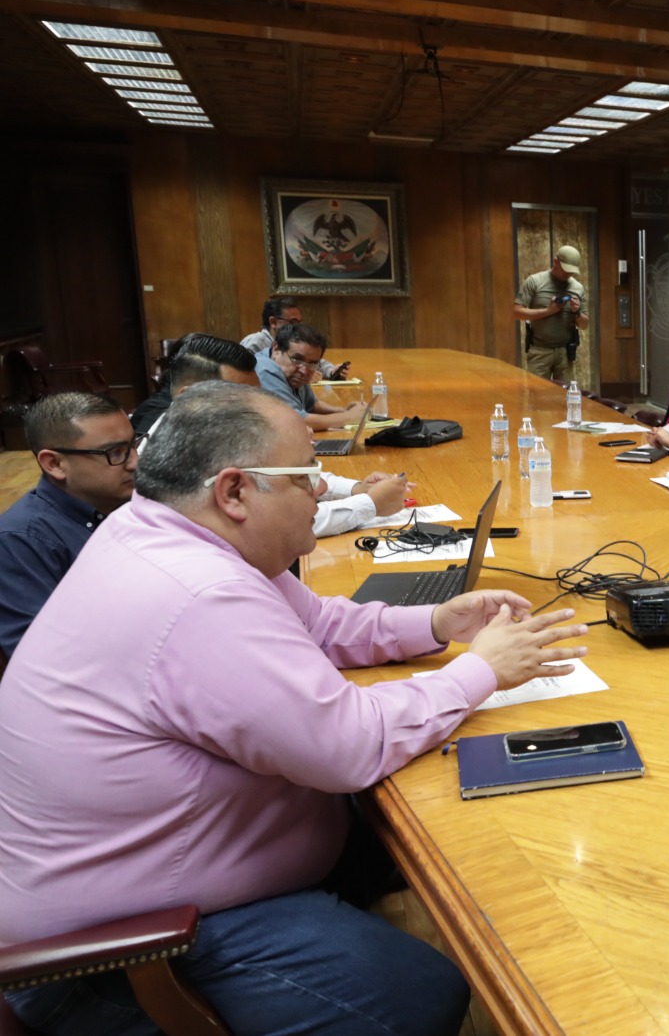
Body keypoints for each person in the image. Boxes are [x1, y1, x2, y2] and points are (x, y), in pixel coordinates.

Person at [0, 382, 590, 1033]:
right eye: (306, 477)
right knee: (419, 993)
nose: (323, 492)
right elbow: (347, 746)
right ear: (234, 491)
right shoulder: (199, 594)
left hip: (158, 880)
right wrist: (482, 672)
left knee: (425, 845)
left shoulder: (167, 532)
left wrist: (438, 622)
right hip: (121, 952)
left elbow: (319, 623)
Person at [141, 346, 408, 536]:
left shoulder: (215, 427)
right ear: (190, 398)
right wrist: (369, 504)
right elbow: (281, 524)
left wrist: (357, 488)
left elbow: (289, 475)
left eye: (256, 395)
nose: (254, 408)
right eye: (239, 397)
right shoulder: (174, 455)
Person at [0, 392, 140, 659]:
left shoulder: (131, 505)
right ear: (54, 464)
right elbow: (38, 659)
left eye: (134, 445)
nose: (134, 462)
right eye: (115, 452)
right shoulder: (18, 541)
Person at [255, 321, 368, 431]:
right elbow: (295, 421)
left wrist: (343, 411)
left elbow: (312, 405)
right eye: (297, 359)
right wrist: (348, 418)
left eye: (313, 363)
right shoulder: (265, 370)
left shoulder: (296, 369)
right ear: (276, 349)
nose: (304, 371)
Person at [514, 245, 588, 381]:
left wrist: (576, 312)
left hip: (565, 353)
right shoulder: (535, 281)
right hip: (540, 351)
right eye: (566, 270)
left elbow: (584, 325)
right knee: (537, 395)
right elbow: (517, 312)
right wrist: (549, 311)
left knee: (565, 397)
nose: (568, 275)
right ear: (556, 262)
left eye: (572, 272)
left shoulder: (577, 288)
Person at [241, 297, 348, 380]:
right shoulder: (254, 343)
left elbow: (316, 361)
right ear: (273, 322)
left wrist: (332, 371)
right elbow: (254, 379)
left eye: (299, 322)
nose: (297, 327)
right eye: (292, 322)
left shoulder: (293, 340)